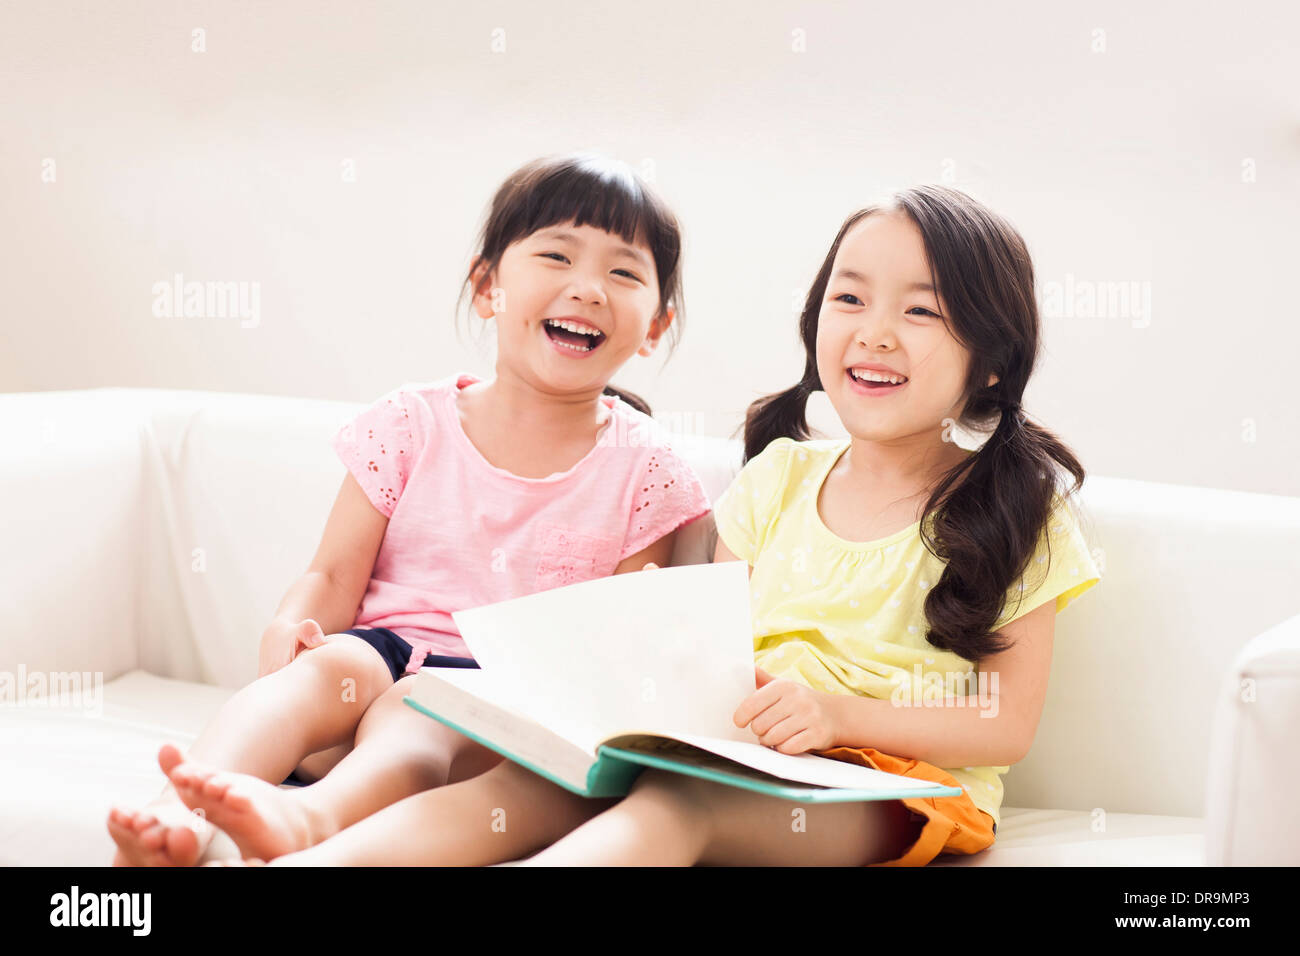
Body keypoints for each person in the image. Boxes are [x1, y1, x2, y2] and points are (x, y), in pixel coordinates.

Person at [200, 183, 1103, 868]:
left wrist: (834, 716)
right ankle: (310, 843)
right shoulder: (779, 476)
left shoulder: (1015, 506)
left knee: (676, 809)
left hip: (895, 783)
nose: (875, 333)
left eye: (922, 311)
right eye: (851, 299)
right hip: (739, 743)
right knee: (542, 777)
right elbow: (703, 640)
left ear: (992, 362)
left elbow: (1002, 721)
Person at [106, 152, 711, 865]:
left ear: (655, 326)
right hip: (378, 657)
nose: (586, 288)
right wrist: (289, 629)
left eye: (622, 272)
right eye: (555, 255)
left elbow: (613, 639)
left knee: (411, 713)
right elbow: (333, 576)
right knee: (317, 675)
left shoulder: (649, 469)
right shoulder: (409, 424)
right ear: (489, 288)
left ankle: (309, 823)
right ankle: (180, 811)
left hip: (503, 706)